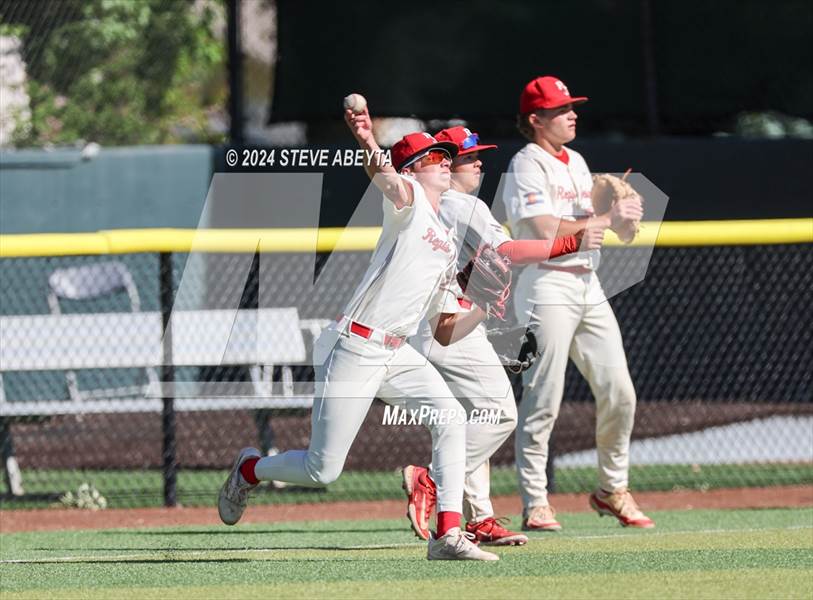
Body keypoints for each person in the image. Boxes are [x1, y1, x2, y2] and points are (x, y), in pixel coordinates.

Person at [218, 101, 504, 561]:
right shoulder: (409, 202)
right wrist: (367, 138)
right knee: (322, 470)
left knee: (451, 419)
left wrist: (484, 307)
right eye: (434, 156)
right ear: (412, 170)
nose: (445, 161)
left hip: (397, 352)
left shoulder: (448, 245)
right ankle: (250, 470)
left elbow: (445, 330)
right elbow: (383, 175)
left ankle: (448, 536)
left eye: (446, 157)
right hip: (356, 344)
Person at [402, 125, 604, 545]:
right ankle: (432, 480)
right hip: (449, 322)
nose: (478, 163)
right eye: (468, 157)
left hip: (427, 318)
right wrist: (571, 244)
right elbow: (505, 252)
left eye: (479, 156)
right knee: (499, 414)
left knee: (473, 417)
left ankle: (479, 517)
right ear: (446, 164)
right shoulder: (463, 205)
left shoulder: (424, 204)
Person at [502, 76, 654, 531]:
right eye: (561, 109)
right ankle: (535, 501)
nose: (572, 115)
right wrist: (606, 217)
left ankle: (612, 489)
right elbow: (545, 230)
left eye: (572, 107)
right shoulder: (526, 164)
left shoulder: (578, 161)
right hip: (545, 285)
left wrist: (622, 221)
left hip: (588, 284)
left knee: (620, 392)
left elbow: (600, 231)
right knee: (543, 396)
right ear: (536, 119)